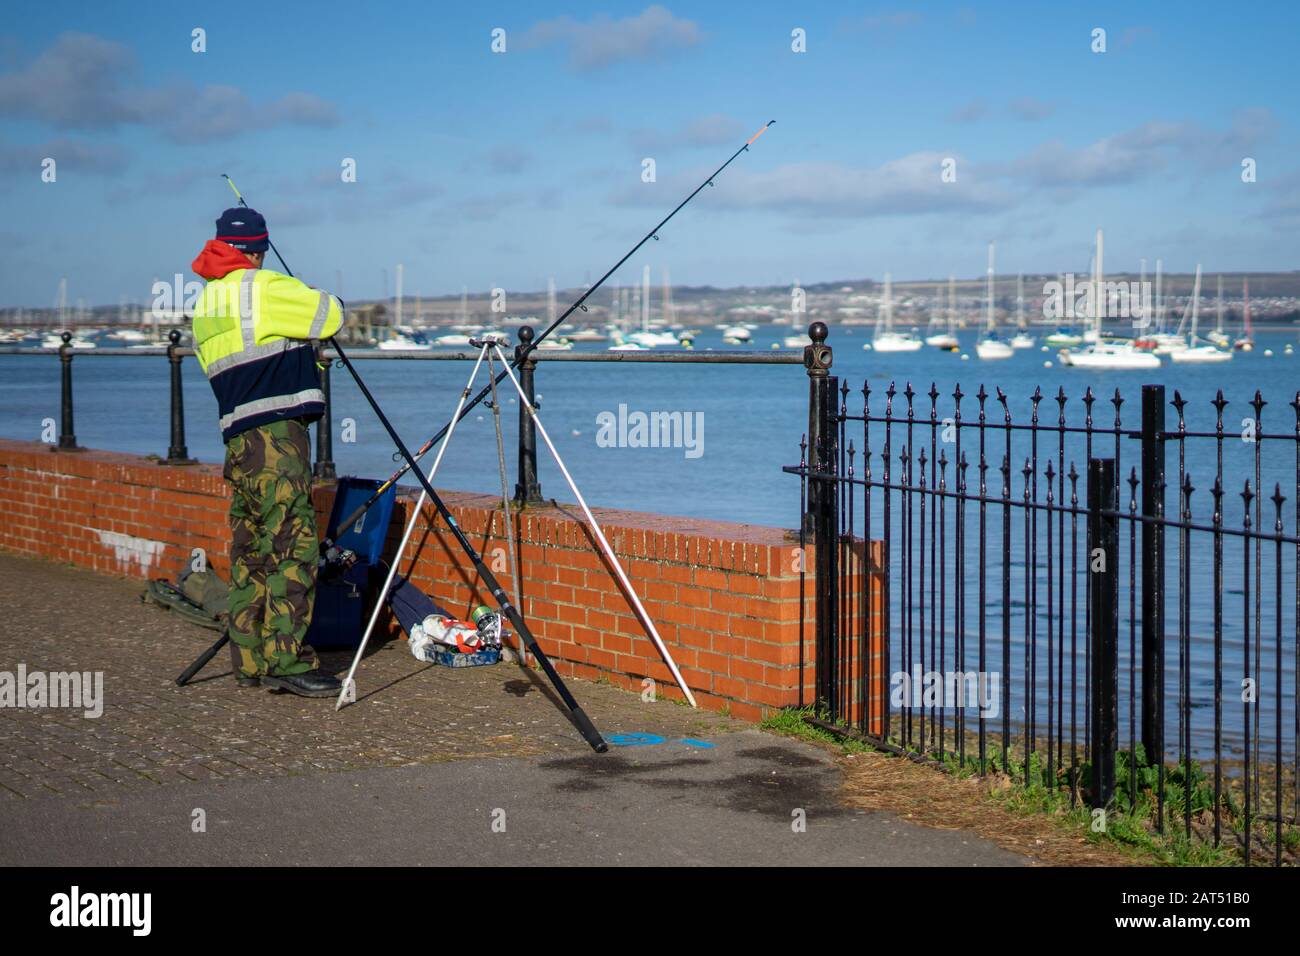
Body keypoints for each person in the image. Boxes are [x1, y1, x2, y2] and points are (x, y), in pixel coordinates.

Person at [190, 207, 344, 698]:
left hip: (236, 438)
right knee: (292, 546)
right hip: (276, 437)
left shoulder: (207, 303)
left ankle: (251, 660)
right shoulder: (263, 287)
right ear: (258, 249)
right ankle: (288, 661)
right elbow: (331, 314)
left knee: (250, 549)